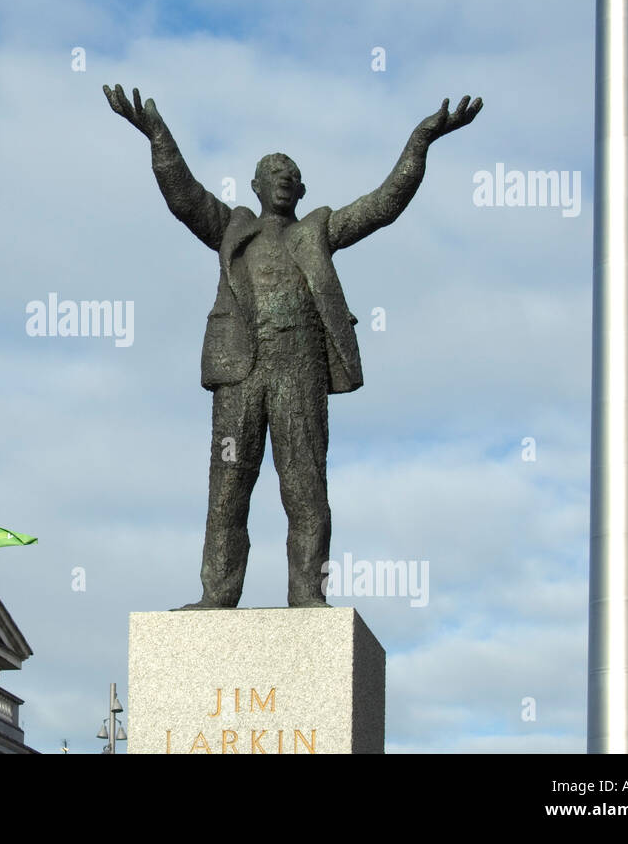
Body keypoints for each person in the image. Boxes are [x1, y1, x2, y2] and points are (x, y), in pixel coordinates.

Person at [103, 83, 481, 608]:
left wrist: (421, 141)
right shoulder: (233, 226)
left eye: (291, 176)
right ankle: (218, 594)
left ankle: (308, 595)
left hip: (298, 369)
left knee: (305, 491)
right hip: (240, 370)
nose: (283, 180)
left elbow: (383, 204)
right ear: (256, 186)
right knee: (228, 488)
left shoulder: (317, 230)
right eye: (274, 174)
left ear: (301, 191)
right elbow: (183, 195)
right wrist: (156, 135)